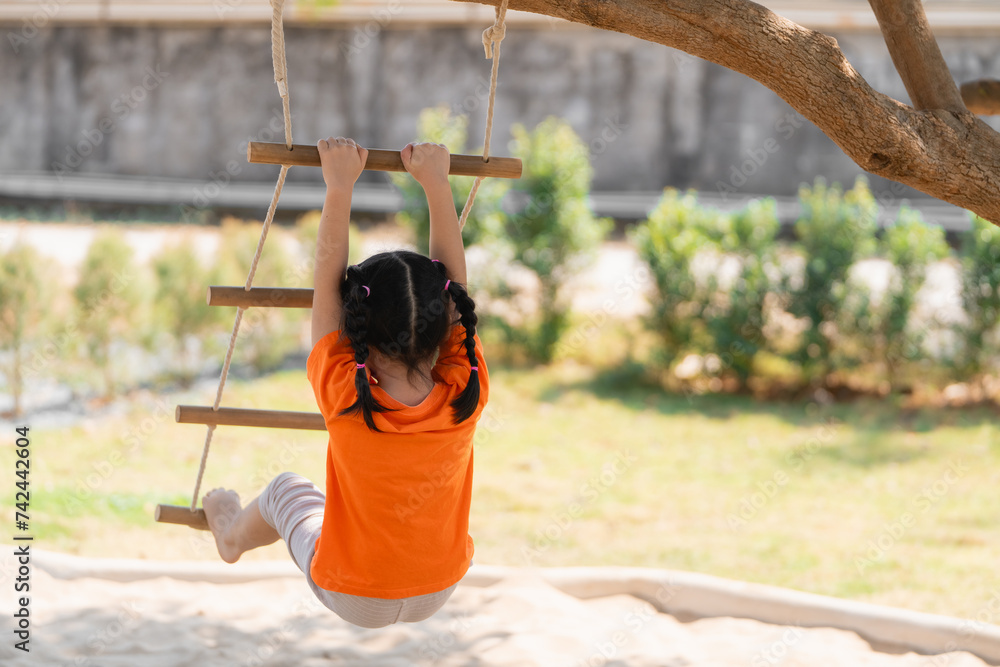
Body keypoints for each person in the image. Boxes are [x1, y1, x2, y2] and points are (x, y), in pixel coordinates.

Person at [201, 137, 488, 628]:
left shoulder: (346, 393)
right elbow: (455, 289)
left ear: (359, 331)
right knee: (340, 503)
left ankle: (230, 538)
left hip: (352, 593)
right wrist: (437, 185)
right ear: (445, 325)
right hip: (440, 584)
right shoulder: (467, 390)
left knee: (286, 489)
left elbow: (327, 278)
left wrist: (339, 187)